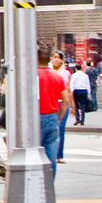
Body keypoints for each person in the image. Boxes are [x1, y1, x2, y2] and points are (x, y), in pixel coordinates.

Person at [37, 44, 71, 175]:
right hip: (52, 116)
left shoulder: (33, 76)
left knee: (35, 153)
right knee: (51, 156)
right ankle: (49, 183)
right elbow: (65, 99)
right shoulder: (58, 76)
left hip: (37, 117)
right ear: (49, 59)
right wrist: (59, 117)